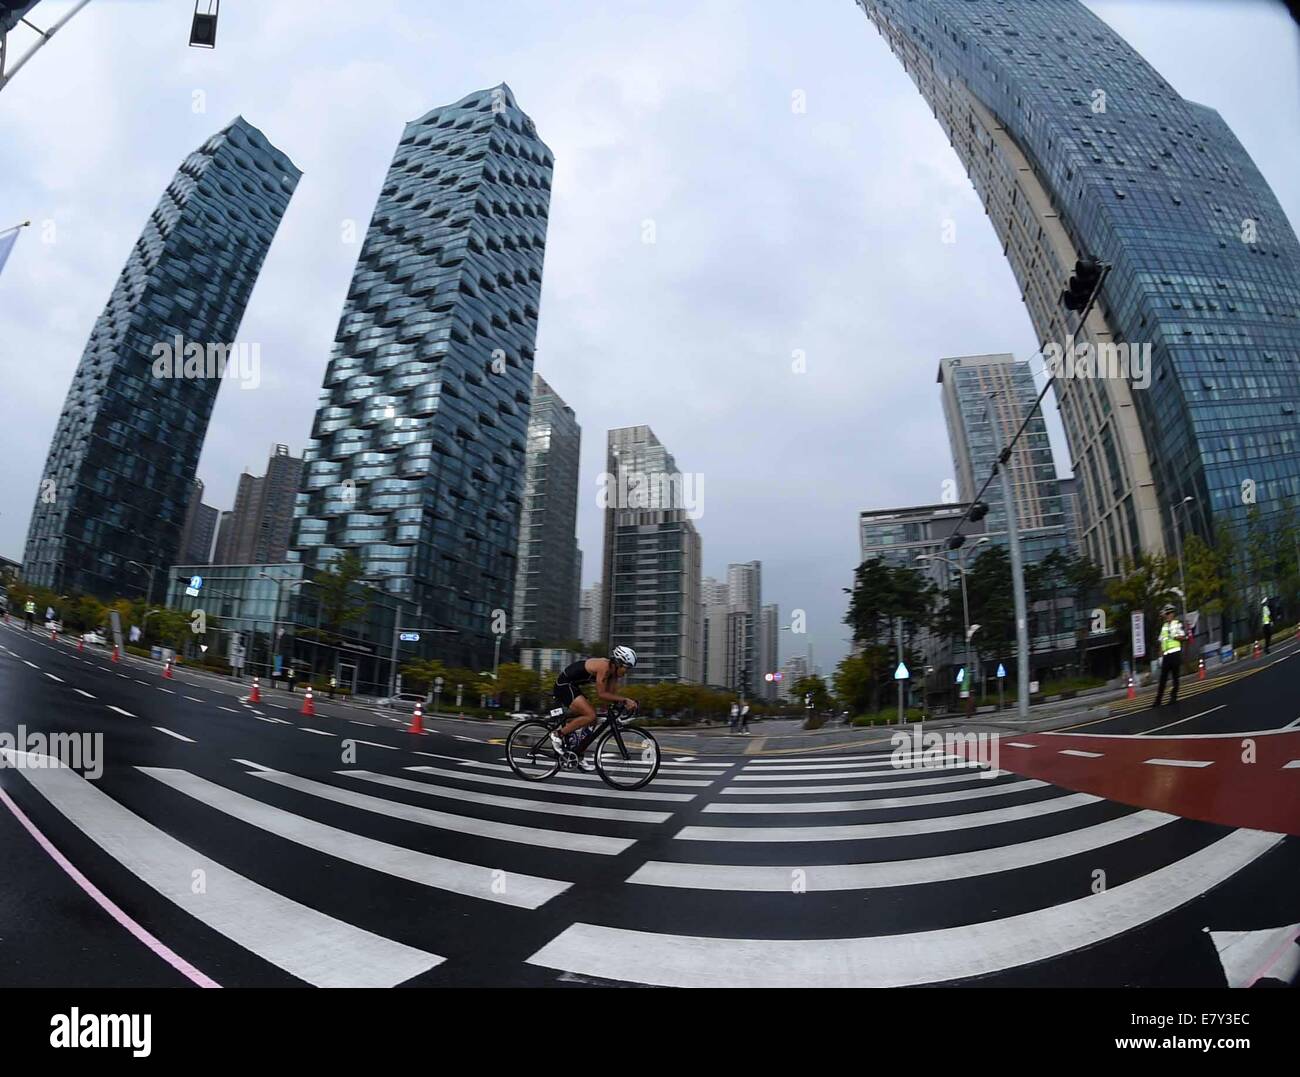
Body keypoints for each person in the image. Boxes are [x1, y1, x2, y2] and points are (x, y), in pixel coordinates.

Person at [549, 647, 639, 770]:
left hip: (573, 686)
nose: (627, 671)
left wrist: (620, 709)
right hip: (564, 685)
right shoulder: (605, 667)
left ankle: (578, 753)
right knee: (590, 715)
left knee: (593, 720)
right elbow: (601, 694)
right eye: (627, 667)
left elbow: (610, 697)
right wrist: (625, 700)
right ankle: (557, 734)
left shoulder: (614, 674)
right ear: (618, 663)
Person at [1153, 604, 1185, 706]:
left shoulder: (1177, 623)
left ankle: (1173, 697)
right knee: (1163, 678)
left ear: (1173, 614)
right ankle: (1158, 700)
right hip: (1166, 655)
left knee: (1175, 677)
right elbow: (1162, 640)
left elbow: (1183, 637)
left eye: (1169, 614)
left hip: (1175, 653)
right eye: (1166, 614)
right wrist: (1160, 652)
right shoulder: (1164, 626)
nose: (1168, 616)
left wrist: (1176, 637)